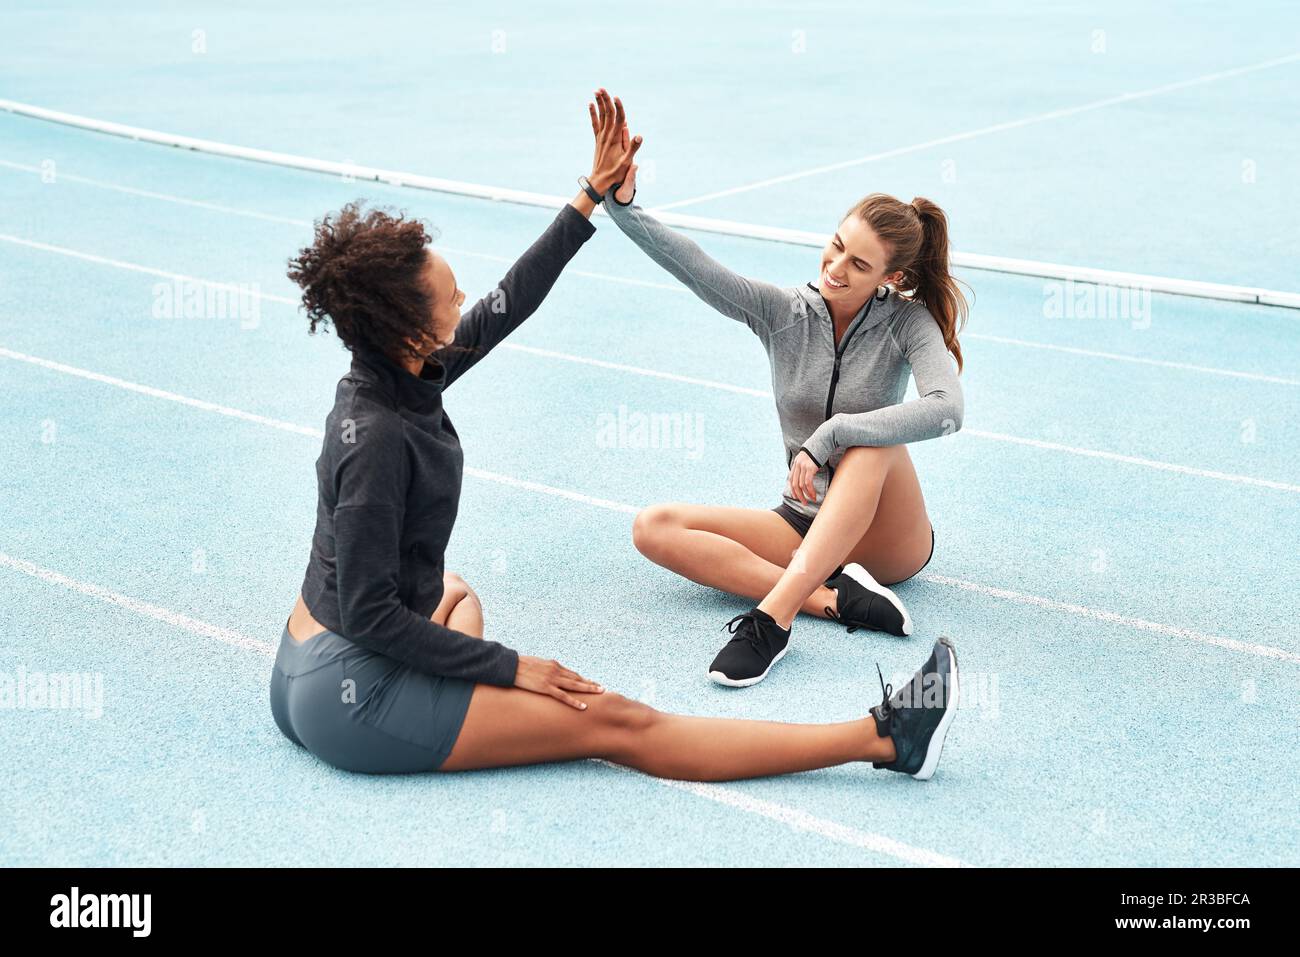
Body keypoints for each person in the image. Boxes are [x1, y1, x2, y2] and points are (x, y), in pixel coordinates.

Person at [268, 90, 959, 782]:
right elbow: (370, 614)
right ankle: (886, 739)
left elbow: (508, 303)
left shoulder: (394, 371)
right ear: (415, 329)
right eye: (450, 295)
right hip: (353, 701)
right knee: (620, 721)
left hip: (302, 666)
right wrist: (514, 668)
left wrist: (593, 196)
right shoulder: (378, 438)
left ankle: (464, 707)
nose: (464, 300)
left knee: (452, 592)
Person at [602, 125, 968, 687]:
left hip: (887, 540)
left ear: (891, 278)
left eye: (859, 265)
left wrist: (834, 434)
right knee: (654, 527)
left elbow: (948, 410)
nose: (836, 268)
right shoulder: (783, 314)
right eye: (837, 245)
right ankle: (833, 601)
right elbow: (698, 267)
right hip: (805, 522)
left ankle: (773, 620)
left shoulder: (908, 324)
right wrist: (624, 207)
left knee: (867, 446)